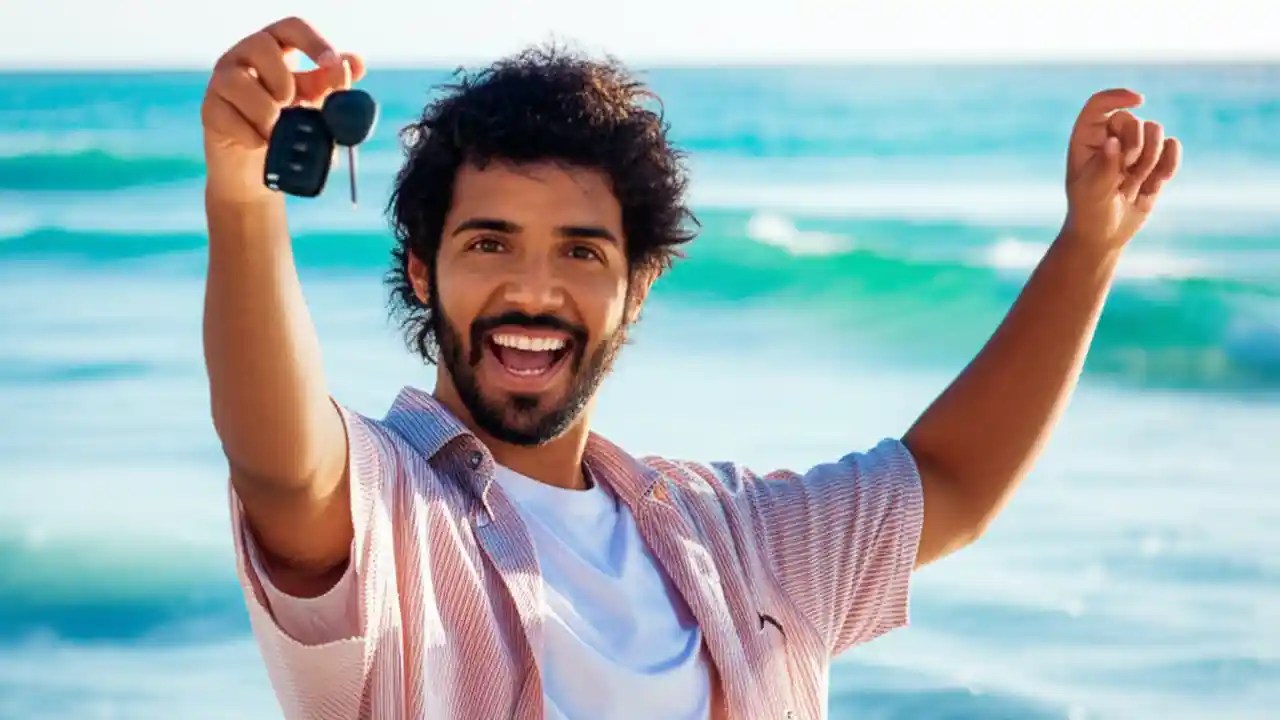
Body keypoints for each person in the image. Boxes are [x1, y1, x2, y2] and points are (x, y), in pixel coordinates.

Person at [201, 16, 1181, 720]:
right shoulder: (388, 518)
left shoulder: (735, 534)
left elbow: (953, 483)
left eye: (581, 253)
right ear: (423, 270)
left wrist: (1088, 246)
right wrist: (244, 202)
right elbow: (285, 463)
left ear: (636, 289)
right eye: (489, 244)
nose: (534, 291)